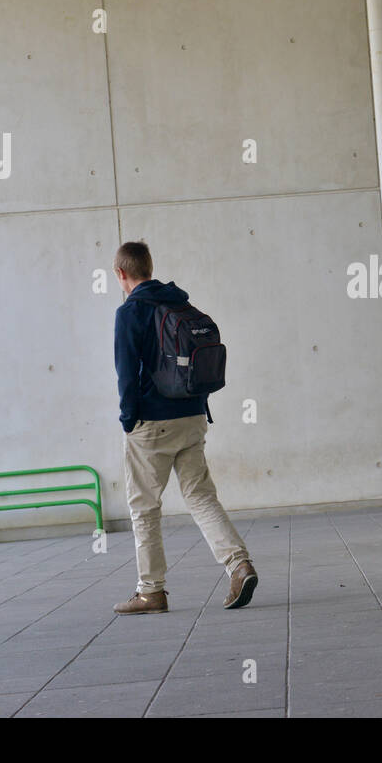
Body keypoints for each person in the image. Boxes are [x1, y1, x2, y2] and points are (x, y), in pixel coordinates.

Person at [110, 240, 257, 614]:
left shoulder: (131, 312)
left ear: (120, 273)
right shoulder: (180, 302)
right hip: (192, 415)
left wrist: (129, 420)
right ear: (150, 267)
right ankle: (238, 564)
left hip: (151, 423)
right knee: (201, 496)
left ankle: (151, 591)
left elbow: (126, 375)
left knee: (144, 507)